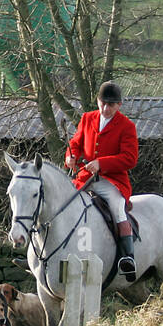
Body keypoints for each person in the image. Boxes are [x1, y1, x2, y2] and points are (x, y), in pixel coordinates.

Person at [64, 81, 139, 279]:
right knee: (63, 204)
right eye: (102, 103)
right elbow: (76, 143)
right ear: (97, 101)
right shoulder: (88, 118)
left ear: (119, 105)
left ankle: (128, 257)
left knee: (117, 208)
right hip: (85, 177)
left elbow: (130, 159)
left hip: (111, 180)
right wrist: (70, 156)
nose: (105, 108)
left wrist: (101, 163)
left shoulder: (127, 126)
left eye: (110, 105)